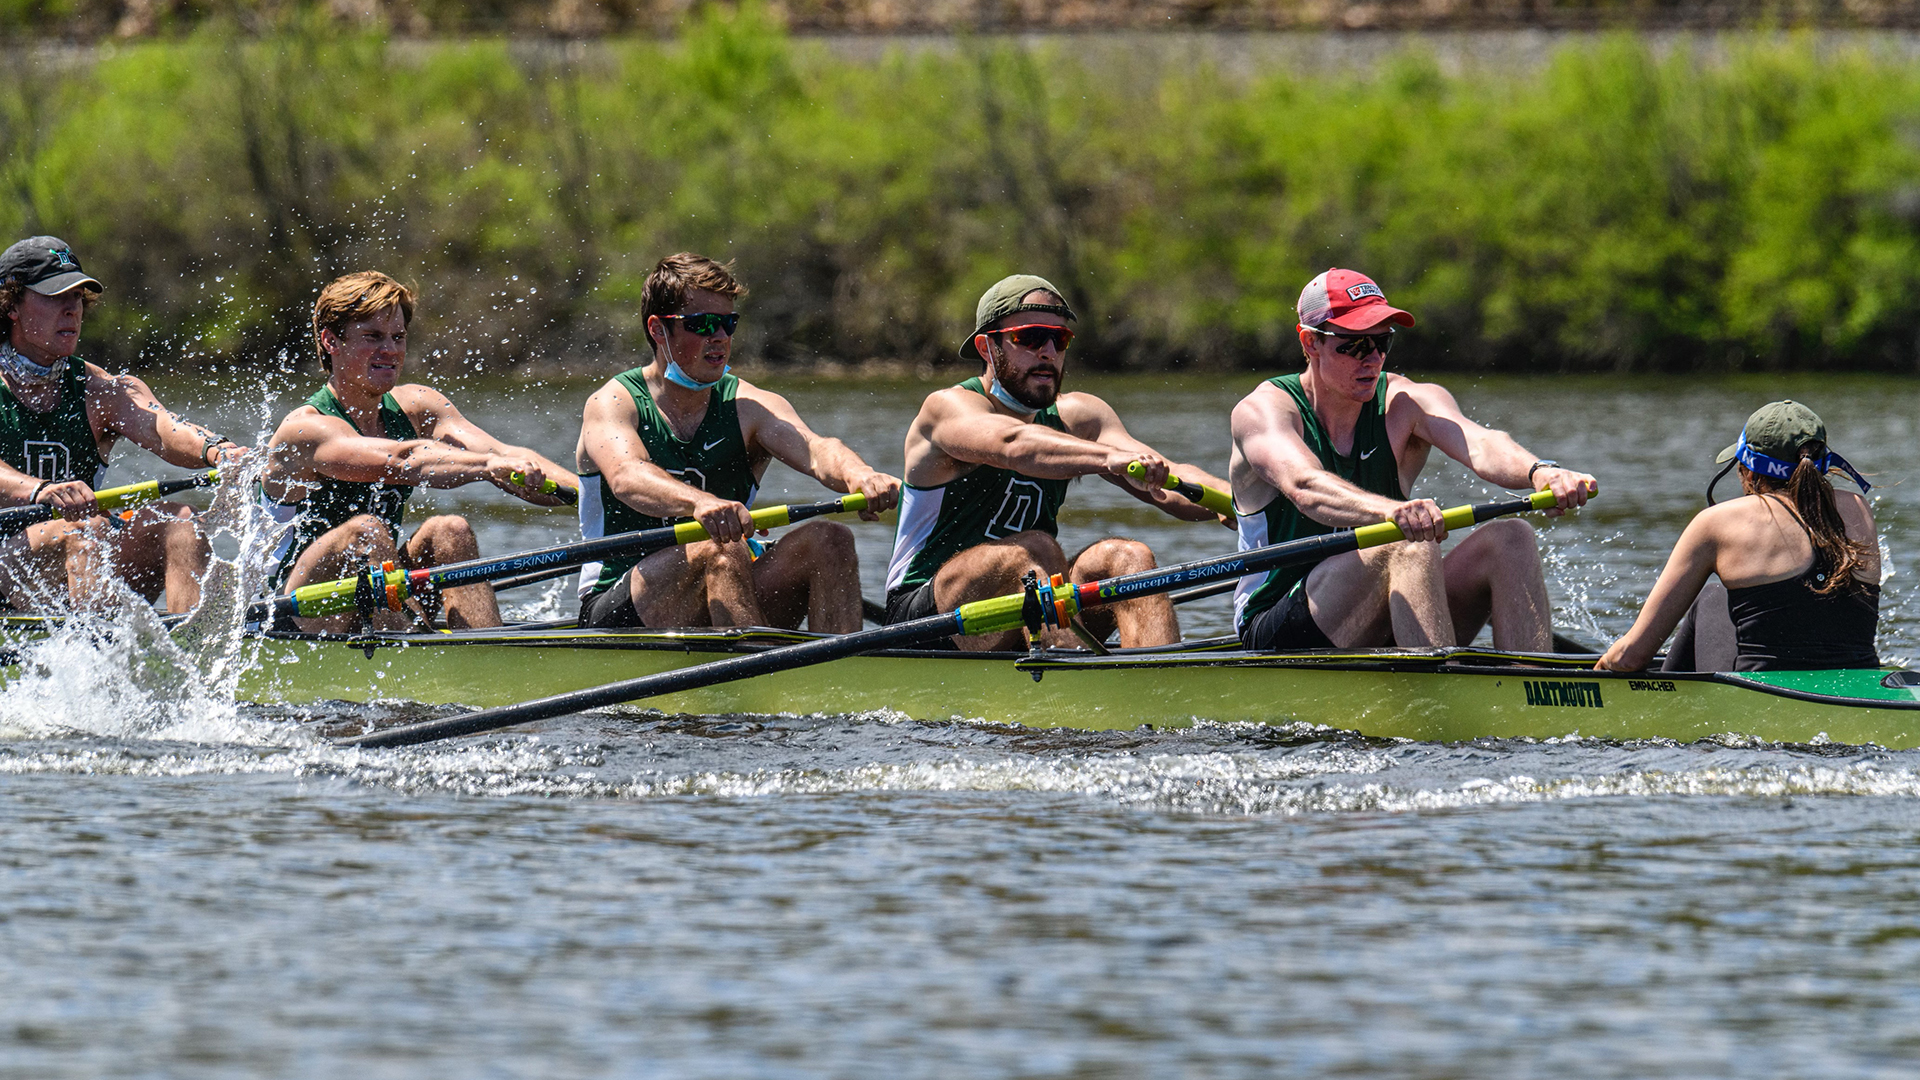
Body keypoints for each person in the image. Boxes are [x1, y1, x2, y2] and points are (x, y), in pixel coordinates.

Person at [1228, 268, 1595, 652]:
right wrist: (1393, 514)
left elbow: (1481, 443)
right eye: (1354, 344)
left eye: (1382, 341)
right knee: (1406, 542)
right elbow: (1305, 486)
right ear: (1311, 343)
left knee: (1512, 538)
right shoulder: (1264, 410)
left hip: (1388, 607)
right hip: (1278, 624)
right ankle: (1440, 695)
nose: (1372, 358)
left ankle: (1533, 690)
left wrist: (1541, 472)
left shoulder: (1404, 402)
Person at [885, 274, 1231, 652]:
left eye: (1059, 339)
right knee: (1036, 551)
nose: (1048, 351)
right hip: (923, 619)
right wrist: (1108, 458)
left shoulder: (1079, 417)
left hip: (1030, 602)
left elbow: (1168, 477)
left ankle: (1158, 683)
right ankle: (1072, 682)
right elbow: (1014, 444)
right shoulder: (948, 408)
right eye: (1030, 338)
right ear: (987, 347)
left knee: (1129, 557)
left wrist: (1247, 501)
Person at [574, 253, 900, 633]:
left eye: (728, 324)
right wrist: (702, 503)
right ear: (658, 330)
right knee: (722, 546)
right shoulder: (613, 403)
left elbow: (817, 449)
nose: (720, 338)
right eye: (703, 324)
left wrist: (859, 474)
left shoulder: (750, 406)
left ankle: (841, 681)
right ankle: (762, 678)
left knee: (831, 540)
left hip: (730, 582)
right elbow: (627, 476)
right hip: (622, 603)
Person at [262, 271, 577, 633]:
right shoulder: (304, 429)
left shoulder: (417, 406)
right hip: (294, 610)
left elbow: (503, 453)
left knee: (450, 530)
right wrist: (490, 466)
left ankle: (486, 654)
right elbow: (403, 461)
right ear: (331, 341)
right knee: (365, 532)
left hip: (376, 590)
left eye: (398, 337)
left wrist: (599, 497)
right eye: (373, 337)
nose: (391, 351)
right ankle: (414, 653)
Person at [0, 235, 250, 614]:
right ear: (12, 304)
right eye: (54, 296)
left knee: (179, 521)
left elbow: (164, 428)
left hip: (83, 551)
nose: (71, 309)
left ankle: (197, 650)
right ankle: (98, 661)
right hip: (11, 560)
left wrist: (218, 450)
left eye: (77, 297)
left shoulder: (100, 390)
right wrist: (41, 490)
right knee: (84, 530)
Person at [1597, 401, 1878, 672]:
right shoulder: (1857, 507)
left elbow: (1630, 659)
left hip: (1760, 705)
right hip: (1859, 696)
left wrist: (1607, 665)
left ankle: (1662, 704)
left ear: (1747, 470)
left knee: (1712, 597)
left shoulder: (1717, 522)